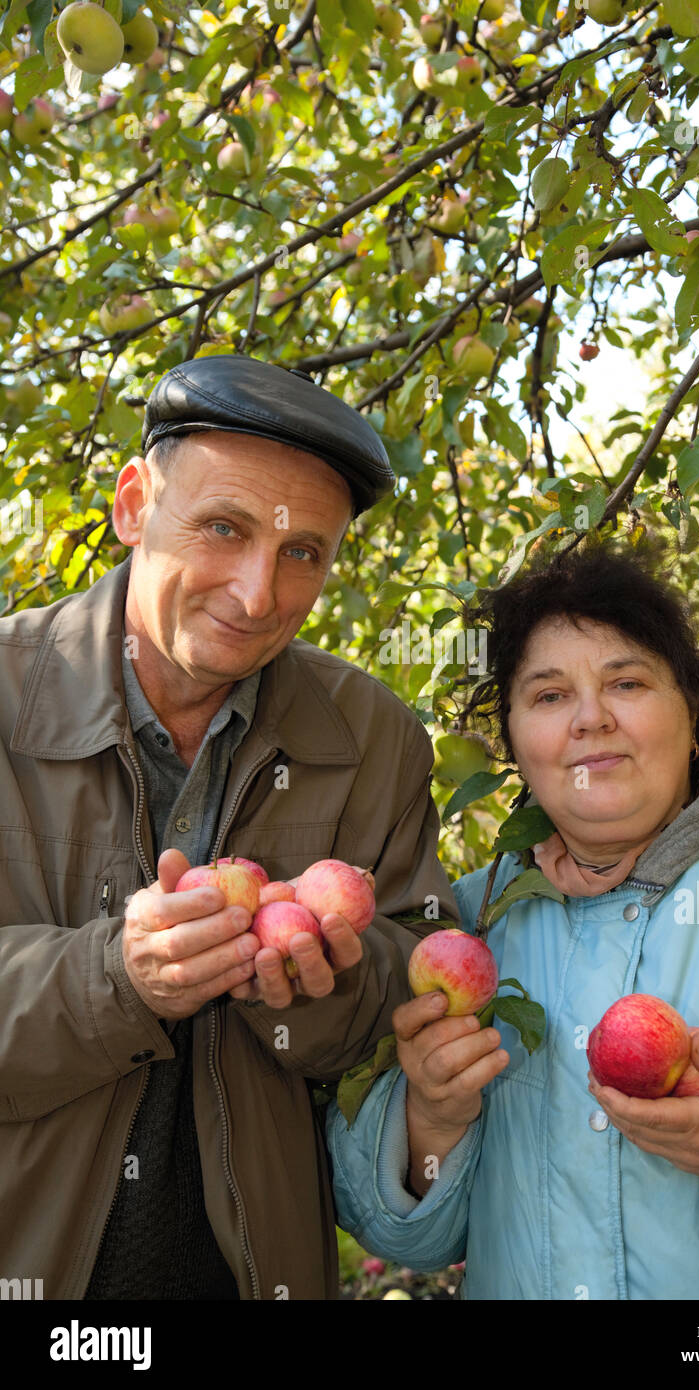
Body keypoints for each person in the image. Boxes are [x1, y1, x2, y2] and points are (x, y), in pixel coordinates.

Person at [0, 353, 459, 1301]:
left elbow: (409, 1011)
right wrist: (114, 978)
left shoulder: (375, 740)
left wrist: (320, 983)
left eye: (303, 554)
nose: (257, 596)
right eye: (223, 528)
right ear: (133, 505)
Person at [327, 536, 699, 1300]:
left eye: (628, 683)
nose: (590, 720)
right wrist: (431, 1123)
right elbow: (396, 1233)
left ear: (691, 708)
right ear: (512, 739)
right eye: (548, 696)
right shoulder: (464, 928)